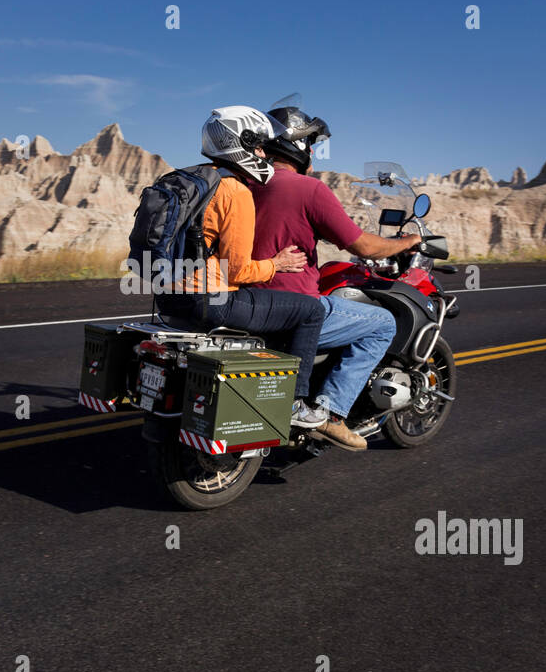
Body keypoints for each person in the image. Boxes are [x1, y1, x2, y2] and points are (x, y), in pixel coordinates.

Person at [248, 106, 421, 450]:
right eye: (309, 142)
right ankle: (331, 412)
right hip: (294, 307)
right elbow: (364, 245)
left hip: (247, 303)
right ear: (295, 144)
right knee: (382, 323)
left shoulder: (244, 185)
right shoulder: (309, 189)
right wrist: (407, 241)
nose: (313, 150)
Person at [154, 106, 330, 429]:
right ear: (240, 144)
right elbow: (238, 272)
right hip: (212, 302)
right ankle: (296, 403)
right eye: (259, 146)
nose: (264, 154)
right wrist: (277, 264)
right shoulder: (236, 190)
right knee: (312, 312)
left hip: (168, 300)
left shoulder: (194, 181)